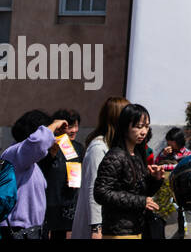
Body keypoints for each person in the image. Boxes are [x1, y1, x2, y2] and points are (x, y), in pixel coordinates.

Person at [93, 103, 168, 239]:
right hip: (118, 232)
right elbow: (101, 193)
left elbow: (142, 193)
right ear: (125, 127)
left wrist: (155, 179)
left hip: (137, 229)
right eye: (138, 127)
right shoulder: (115, 155)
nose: (144, 132)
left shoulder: (137, 155)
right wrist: (140, 201)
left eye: (146, 126)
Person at [1, 111, 69, 239]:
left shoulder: (28, 160)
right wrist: (53, 125)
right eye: (49, 133)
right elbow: (39, 142)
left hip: (30, 231)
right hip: (18, 231)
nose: (52, 137)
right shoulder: (15, 154)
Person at [72, 96, 128, 239]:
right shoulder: (99, 148)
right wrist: (97, 227)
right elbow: (93, 187)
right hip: (97, 227)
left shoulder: (118, 147)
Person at [40, 108, 84, 239]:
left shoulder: (78, 147)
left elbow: (78, 168)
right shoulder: (48, 146)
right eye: (70, 127)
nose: (74, 130)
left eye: (76, 126)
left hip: (68, 200)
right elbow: (43, 167)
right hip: (50, 199)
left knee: (63, 234)